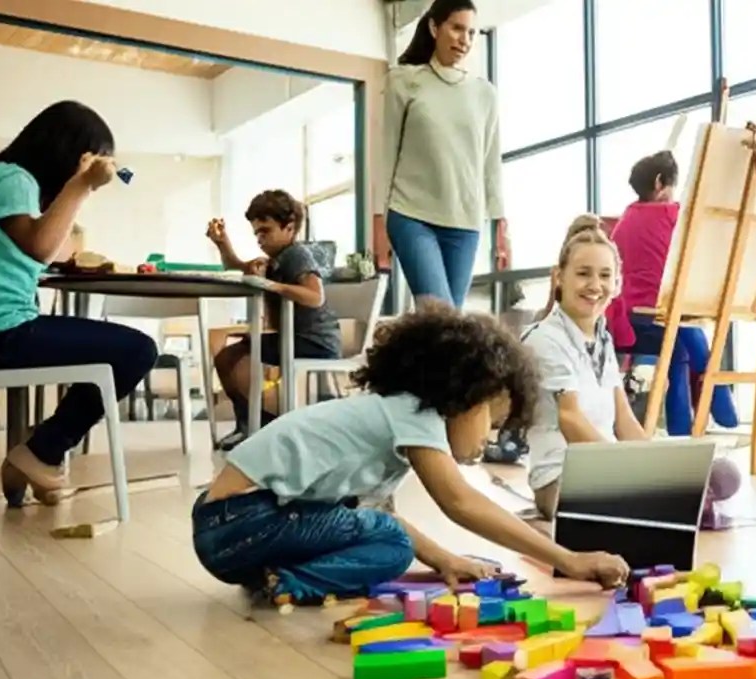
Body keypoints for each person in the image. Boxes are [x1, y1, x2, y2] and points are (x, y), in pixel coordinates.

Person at [192, 302, 629, 605]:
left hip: (231, 527)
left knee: (388, 542)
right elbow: (459, 501)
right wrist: (568, 559)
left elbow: (379, 516)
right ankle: (291, 581)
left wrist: (445, 560)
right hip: (242, 518)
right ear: (467, 394)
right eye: (491, 420)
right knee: (394, 545)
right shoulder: (414, 412)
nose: (488, 439)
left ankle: (273, 577)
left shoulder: (391, 419)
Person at [0, 100, 158, 507]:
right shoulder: (14, 178)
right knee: (137, 350)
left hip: (8, 327)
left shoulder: (8, 179)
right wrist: (81, 186)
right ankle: (42, 452)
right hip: (5, 332)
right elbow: (40, 247)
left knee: (114, 350)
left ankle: (38, 455)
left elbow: (51, 247)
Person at [520, 215, 647, 521]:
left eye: (605, 275)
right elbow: (570, 419)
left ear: (617, 284)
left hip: (606, 472)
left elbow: (624, 420)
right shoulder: (545, 339)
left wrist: (657, 469)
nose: (595, 285)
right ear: (559, 277)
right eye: (583, 274)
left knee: (722, 476)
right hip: (560, 479)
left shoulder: (602, 338)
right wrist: (630, 472)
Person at [381, 0, 507, 308]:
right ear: (434, 27)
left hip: (466, 223)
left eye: (471, 33)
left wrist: (501, 225)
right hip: (411, 215)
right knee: (440, 314)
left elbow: (491, 165)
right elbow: (385, 156)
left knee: (447, 324)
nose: (464, 39)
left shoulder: (485, 94)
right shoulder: (404, 80)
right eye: (457, 28)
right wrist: (377, 223)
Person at [607, 150, 738, 436]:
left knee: (679, 350)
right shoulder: (673, 215)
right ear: (659, 183)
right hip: (661, 316)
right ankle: (727, 417)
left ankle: (688, 430)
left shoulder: (623, 222)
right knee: (693, 342)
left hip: (628, 321)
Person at [206, 190, 341, 449]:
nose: (260, 239)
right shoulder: (276, 259)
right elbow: (236, 265)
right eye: (256, 233)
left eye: (265, 231)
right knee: (229, 356)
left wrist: (272, 286)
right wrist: (222, 243)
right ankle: (251, 422)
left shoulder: (296, 255)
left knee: (234, 356)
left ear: (289, 227)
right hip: (294, 337)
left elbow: (315, 296)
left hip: (314, 341)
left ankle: (256, 424)